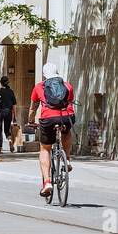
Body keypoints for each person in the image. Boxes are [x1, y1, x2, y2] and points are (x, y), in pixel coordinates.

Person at [28, 62, 75, 197]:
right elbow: (70, 103)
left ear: (44, 74)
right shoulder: (67, 86)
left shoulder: (39, 87)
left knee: (45, 148)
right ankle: (68, 159)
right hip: (66, 117)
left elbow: (33, 107)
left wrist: (31, 121)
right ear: (57, 72)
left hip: (48, 119)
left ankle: (47, 182)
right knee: (66, 132)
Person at [0, 77, 18, 153]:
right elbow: (14, 105)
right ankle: (10, 140)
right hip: (8, 112)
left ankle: (0, 148)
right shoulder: (11, 92)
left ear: (1, 82)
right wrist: (15, 116)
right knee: (7, 130)